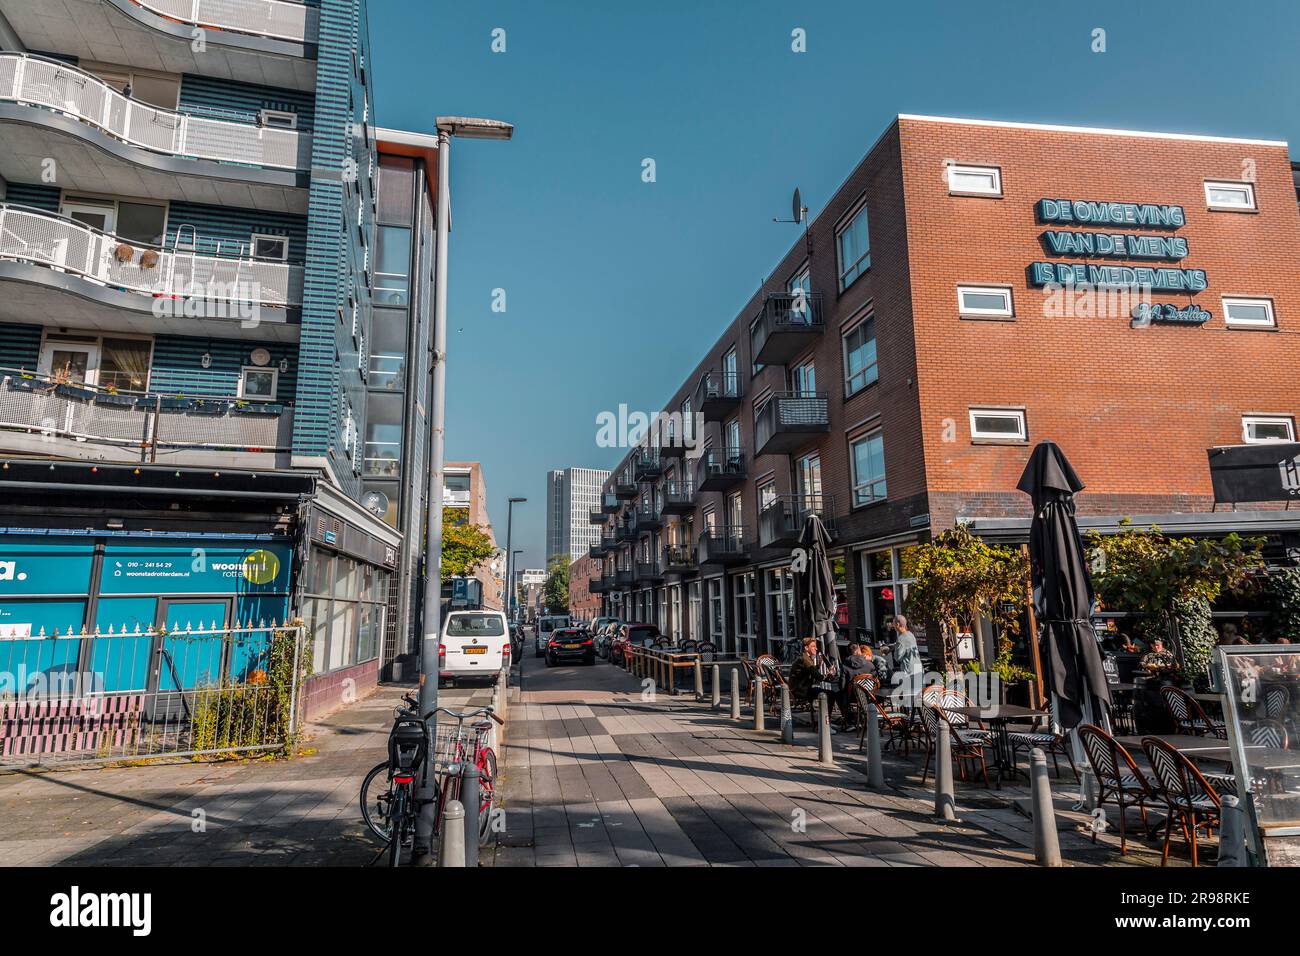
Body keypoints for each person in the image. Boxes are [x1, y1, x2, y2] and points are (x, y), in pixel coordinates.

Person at [789, 636, 842, 725]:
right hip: (801, 690)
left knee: (828, 693)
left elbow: (808, 671)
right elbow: (819, 678)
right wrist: (829, 674)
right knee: (831, 694)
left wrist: (818, 665)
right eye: (813, 646)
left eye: (815, 646)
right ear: (806, 648)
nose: (816, 648)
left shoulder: (804, 657)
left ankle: (824, 720)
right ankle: (825, 722)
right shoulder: (806, 660)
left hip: (798, 688)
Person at [887, 615, 923, 704]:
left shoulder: (901, 639)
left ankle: (910, 716)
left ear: (898, 624)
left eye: (894, 623)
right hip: (918, 667)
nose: (893, 625)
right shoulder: (911, 635)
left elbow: (897, 658)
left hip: (909, 671)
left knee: (909, 698)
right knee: (919, 697)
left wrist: (894, 649)